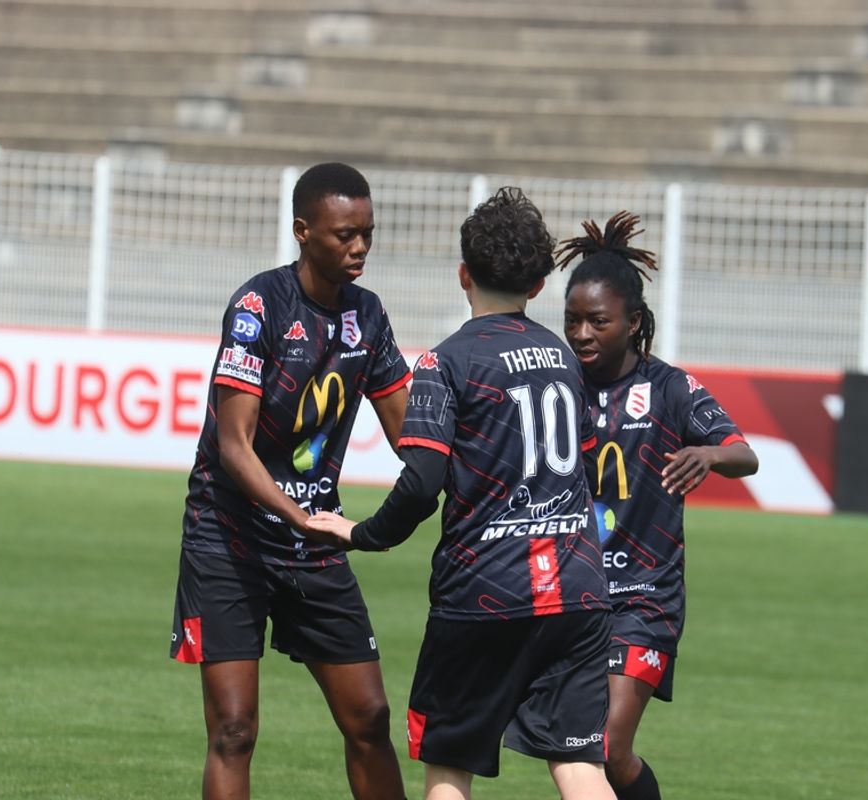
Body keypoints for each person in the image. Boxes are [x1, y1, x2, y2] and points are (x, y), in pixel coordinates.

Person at [306, 187, 617, 800]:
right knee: (581, 769)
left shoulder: (445, 364)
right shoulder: (563, 356)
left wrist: (362, 534)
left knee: (449, 770)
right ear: (536, 286)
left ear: (463, 275)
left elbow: (422, 482)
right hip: (578, 593)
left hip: (483, 595)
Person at [168, 162, 411, 800]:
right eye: (342, 234)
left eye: (367, 232)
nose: (358, 247)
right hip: (230, 540)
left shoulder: (370, 315)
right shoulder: (259, 307)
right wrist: (296, 515)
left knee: (371, 719)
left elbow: (411, 434)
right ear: (303, 231)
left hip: (316, 542)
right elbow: (233, 447)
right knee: (234, 730)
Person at [557, 211, 760, 800]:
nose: (583, 334)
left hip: (647, 598)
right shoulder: (559, 385)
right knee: (580, 751)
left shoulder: (670, 389)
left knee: (607, 745)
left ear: (633, 322)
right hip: (574, 592)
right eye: (573, 320)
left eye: (599, 321)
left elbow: (743, 453)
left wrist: (709, 456)